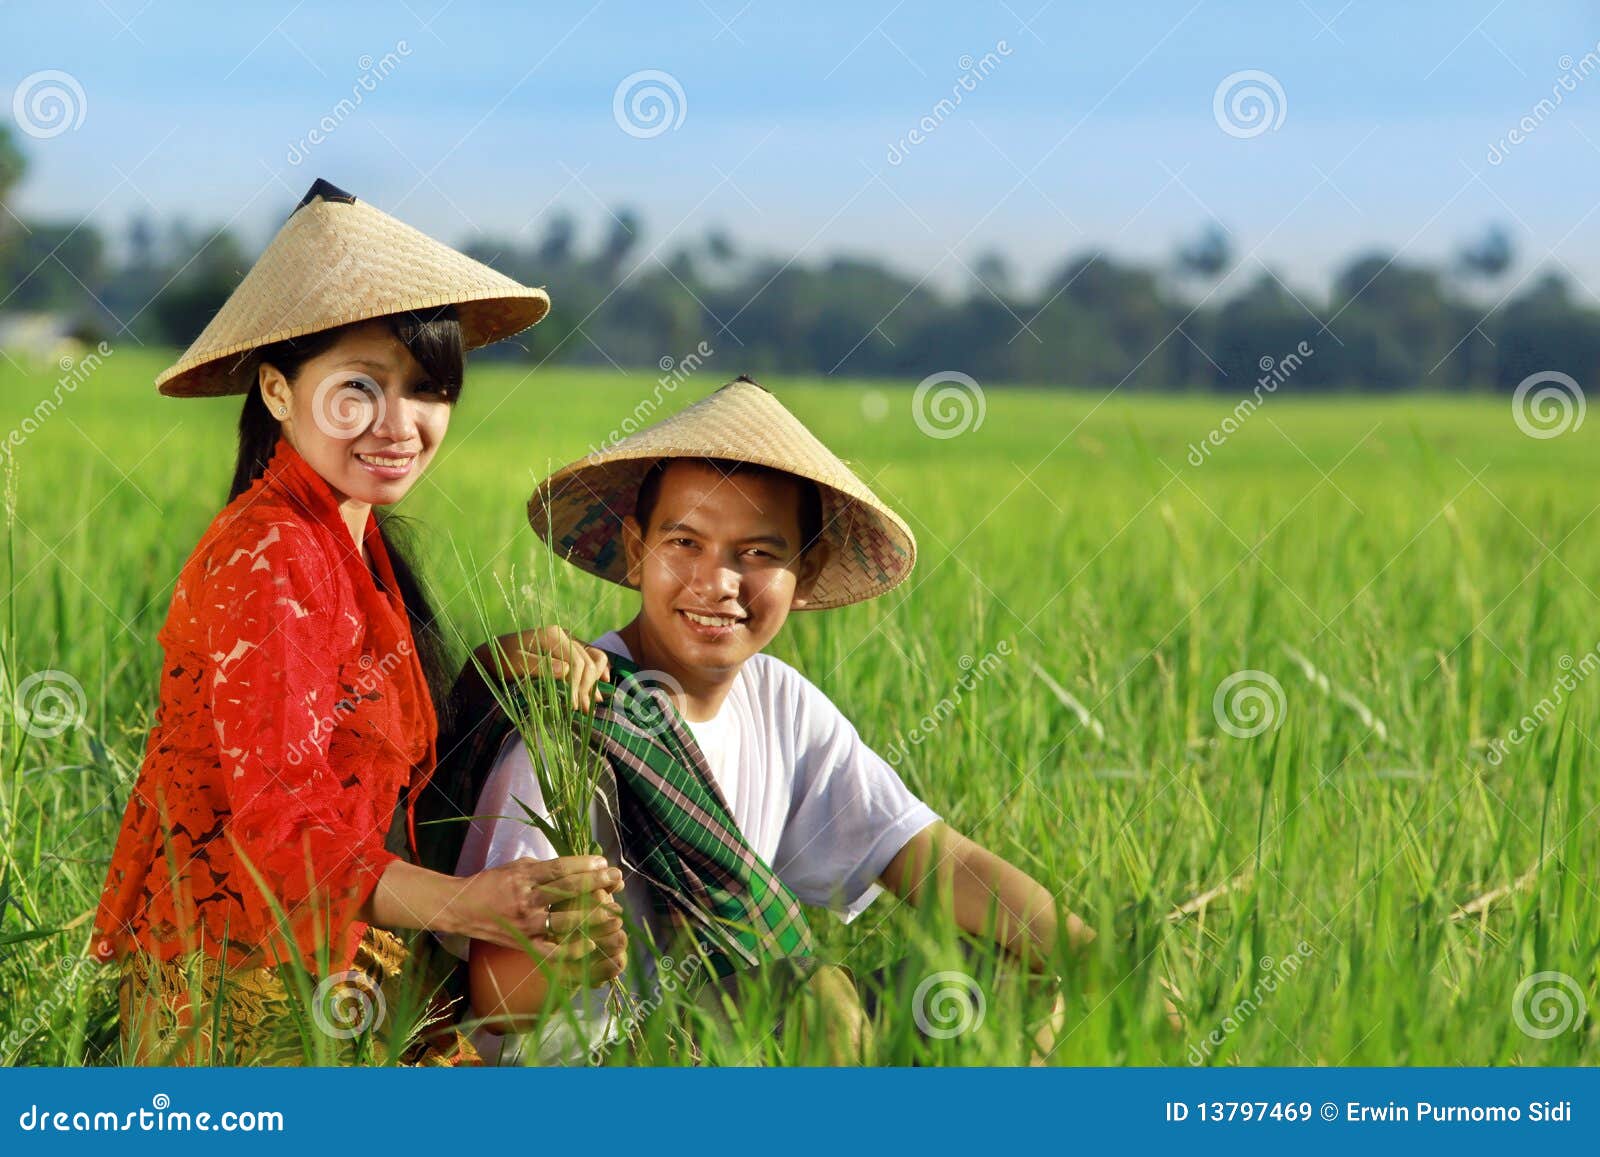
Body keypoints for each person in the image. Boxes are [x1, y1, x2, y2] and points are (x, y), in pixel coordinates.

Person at [93, 178, 619, 1066]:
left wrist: (490, 672)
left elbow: (364, 766)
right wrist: (475, 905)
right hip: (241, 990)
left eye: (428, 388)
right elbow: (283, 828)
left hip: (341, 963)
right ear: (276, 389)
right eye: (359, 388)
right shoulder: (272, 555)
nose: (399, 424)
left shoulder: (352, 542)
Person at [436, 376, 1096, 1065]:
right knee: (816, 1001)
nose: (717, 582)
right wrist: (567, 954)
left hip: (744, 1039)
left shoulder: (780, 703)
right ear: (637, 551)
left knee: (1023, 981)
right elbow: (494, 1000)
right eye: (684, 543)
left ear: (805, 571)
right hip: (595, 1064)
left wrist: (1100, 965)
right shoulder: (574, 721)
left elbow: (933, 860)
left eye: (757, 553)